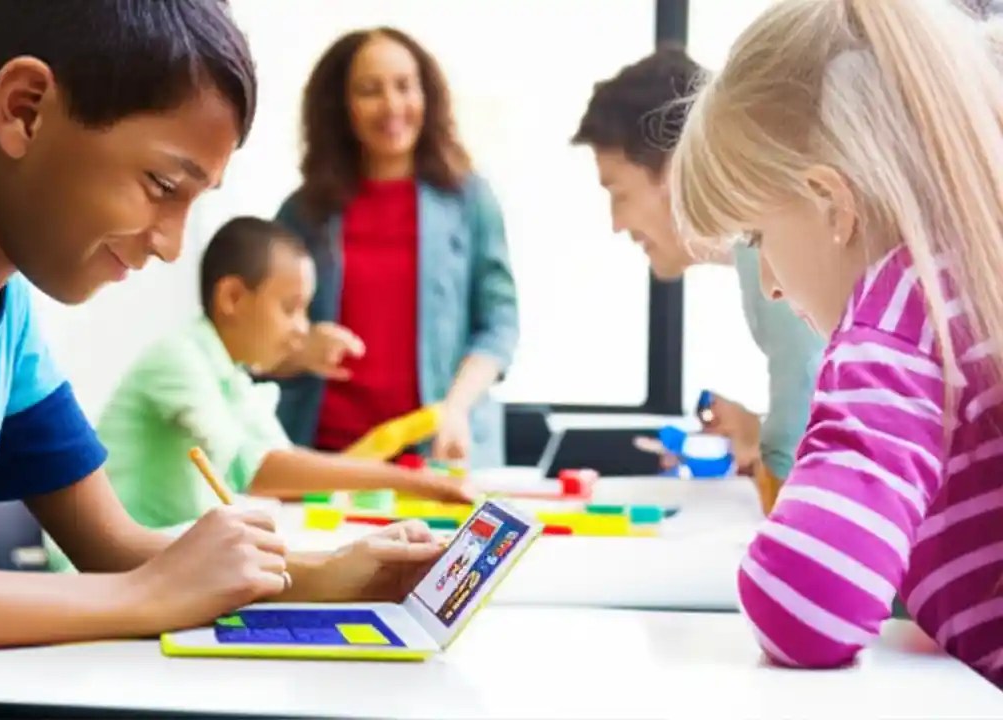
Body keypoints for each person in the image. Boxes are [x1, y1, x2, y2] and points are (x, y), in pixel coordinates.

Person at [0, 0, 445, 669]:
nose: (170, 244)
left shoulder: (3, 310)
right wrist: (143, 601)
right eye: (163, 186)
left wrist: (325, 573)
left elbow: (114, 547)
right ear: (25, 111)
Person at [670, 0, 1003, 683]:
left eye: (757, 237)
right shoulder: (973, 271)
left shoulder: (904, 314)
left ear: (830, 202)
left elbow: (810, 601)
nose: (767, 284)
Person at [47, 217, 472, 564]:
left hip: (160, 559)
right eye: (290, 308)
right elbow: (261, 471)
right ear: (232, 297)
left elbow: (283, 467)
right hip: (101, 568)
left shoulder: (233, 377)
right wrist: (414, 483)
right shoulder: (178, 359)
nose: (301, 329)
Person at [572, 47, 825, 514]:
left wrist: (772, 445)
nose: (615, 223)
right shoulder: (760, 251)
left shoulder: (770, 252)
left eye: (619, 194)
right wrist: (752, 431)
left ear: (674, 168)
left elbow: (801, 443)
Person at [270, 27, 519, 469]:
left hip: (440, 454)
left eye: (405, 86)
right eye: (370, 90)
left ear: (428, 95)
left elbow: (499, 325)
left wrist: (455, 408)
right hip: (330, 458)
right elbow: (254, 339)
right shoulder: (303, 212)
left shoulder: (471, 200)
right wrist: (299, 350)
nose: (392, 106)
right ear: (340, 105)